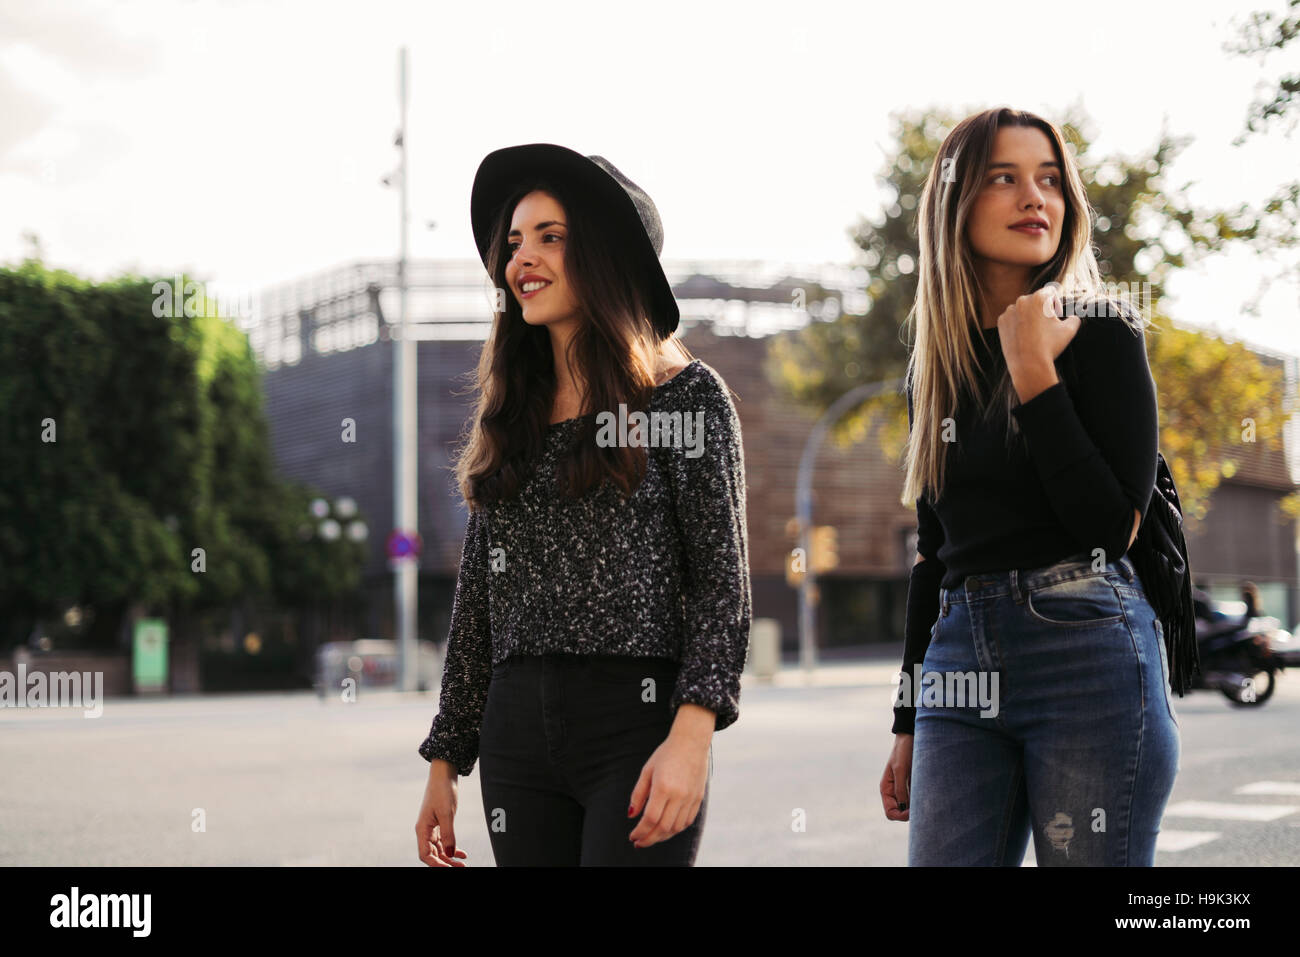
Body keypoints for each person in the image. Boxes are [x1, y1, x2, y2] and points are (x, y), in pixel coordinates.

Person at [414, 144, 752, 867]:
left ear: (604, 255)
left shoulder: (686, 397)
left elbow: (722, 584)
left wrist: (691, 737)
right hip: (515, 738)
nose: (521, 259)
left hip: (633, 729)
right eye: (514, 242)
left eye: (550, 236)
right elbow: (479, 598)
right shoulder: (515, 414)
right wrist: (447, 757)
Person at [878, 108, 1180, 865]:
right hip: (957, 660)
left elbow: (1112, 526)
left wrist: (1034, 373)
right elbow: (934, 555)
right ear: (955, 202)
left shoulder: (1103, 333)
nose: (1034, 198)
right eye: (1003, 179)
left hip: (1087, 650)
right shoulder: (936, 367)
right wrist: (909, 719)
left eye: (1048, 179)